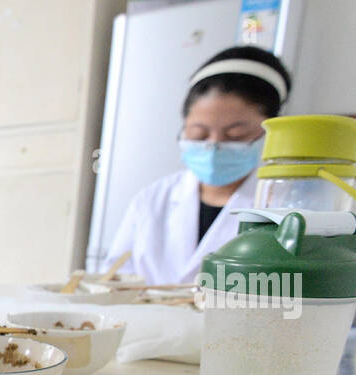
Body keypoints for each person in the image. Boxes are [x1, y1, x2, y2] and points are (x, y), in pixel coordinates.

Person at [107, 47, 293, 286]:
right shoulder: (152, 199)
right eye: (199, 134)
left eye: (236, 135)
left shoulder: (284, 206)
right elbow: (110, 279)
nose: (213, 145)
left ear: (269, 132)